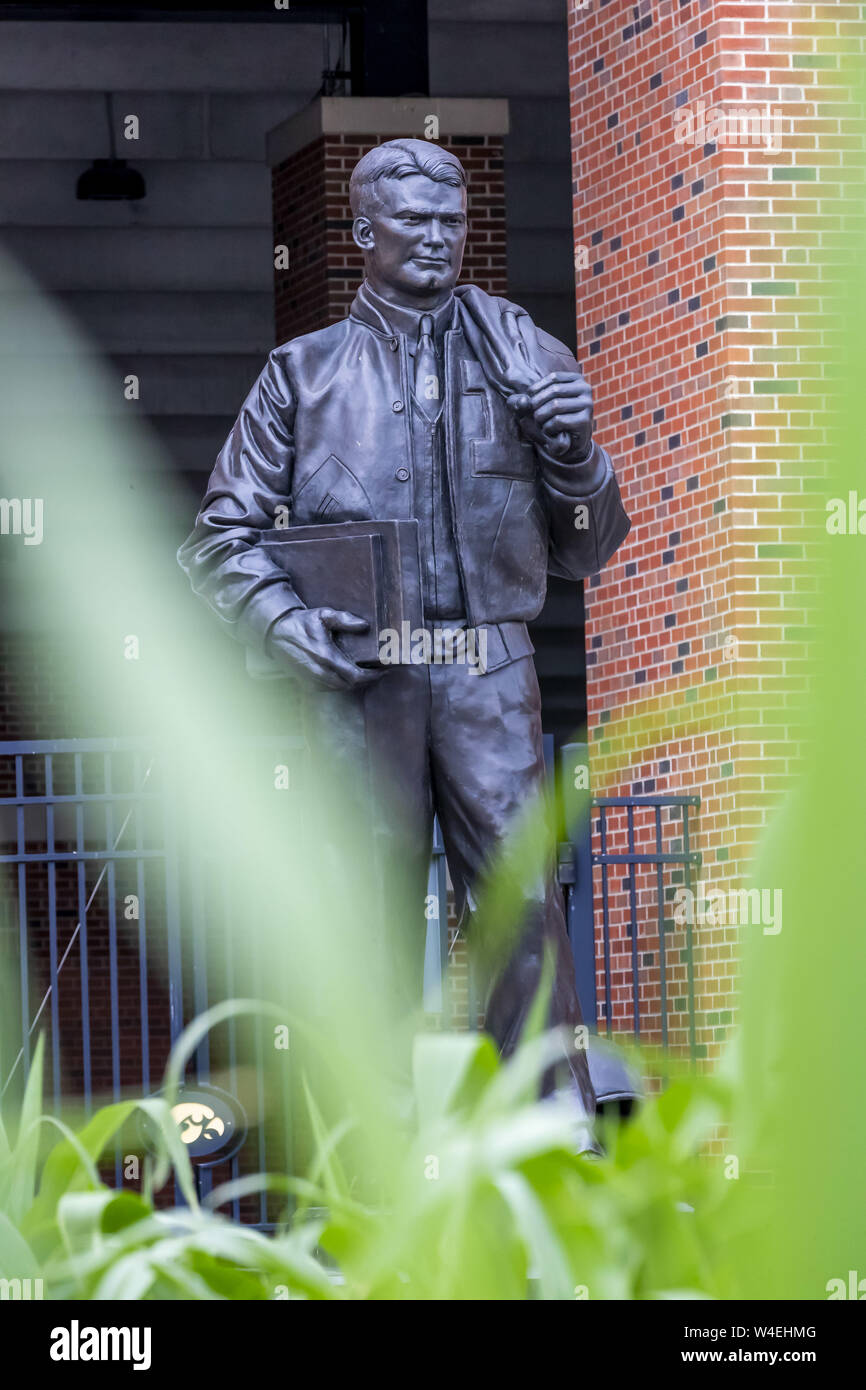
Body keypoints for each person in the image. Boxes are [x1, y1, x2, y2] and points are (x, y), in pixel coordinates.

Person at [178, 139, 630, 1142]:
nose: (434, 239)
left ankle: (552, 1134)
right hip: (361, 676)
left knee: (519, 905)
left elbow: (591, 548)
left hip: (487, 666)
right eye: (411, 222)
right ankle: (364, 1153)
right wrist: (280, 618)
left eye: (450, 222)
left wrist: (574, 454)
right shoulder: (299, 376)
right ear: (360, 232)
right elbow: (219, 536)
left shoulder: (526, 355)